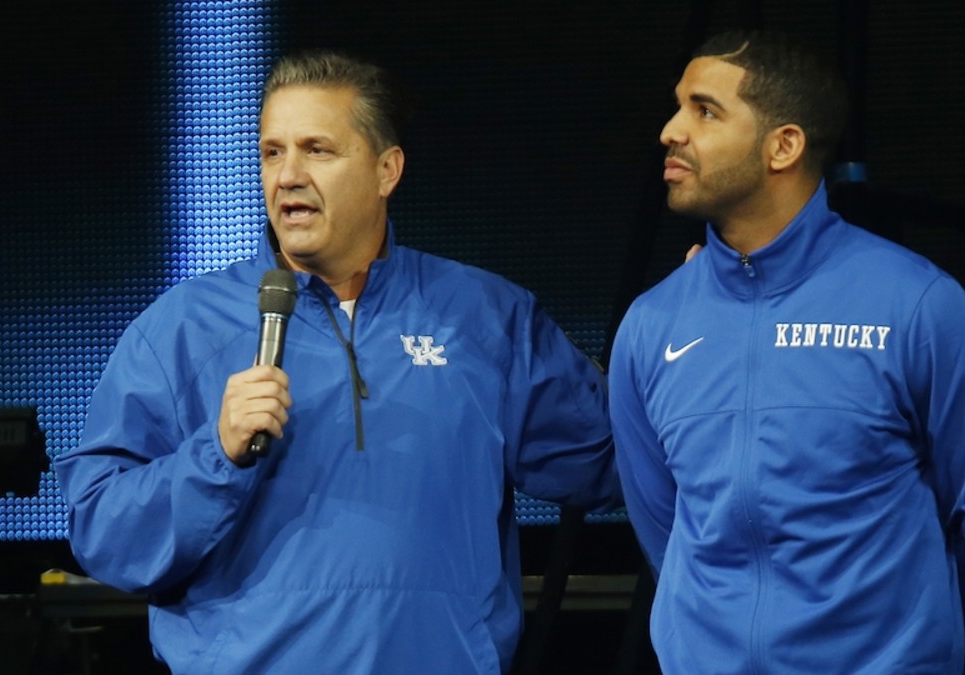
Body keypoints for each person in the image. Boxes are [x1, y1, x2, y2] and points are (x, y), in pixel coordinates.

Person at [53, 49, 620, 674]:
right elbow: (104, 535)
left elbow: (610, 463)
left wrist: (698, 328)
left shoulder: (485, 316)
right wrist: (215, 452)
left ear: (386, 170)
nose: (287, 175)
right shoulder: (183, 328)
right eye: (273, 152)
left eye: (317, 150)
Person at [607, 29, 965, 674]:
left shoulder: (918, 305)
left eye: (704, 110)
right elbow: (664, 532)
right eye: (678, 107)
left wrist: (938, 656)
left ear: (783, 145)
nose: (671, 130)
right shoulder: (651, 325)